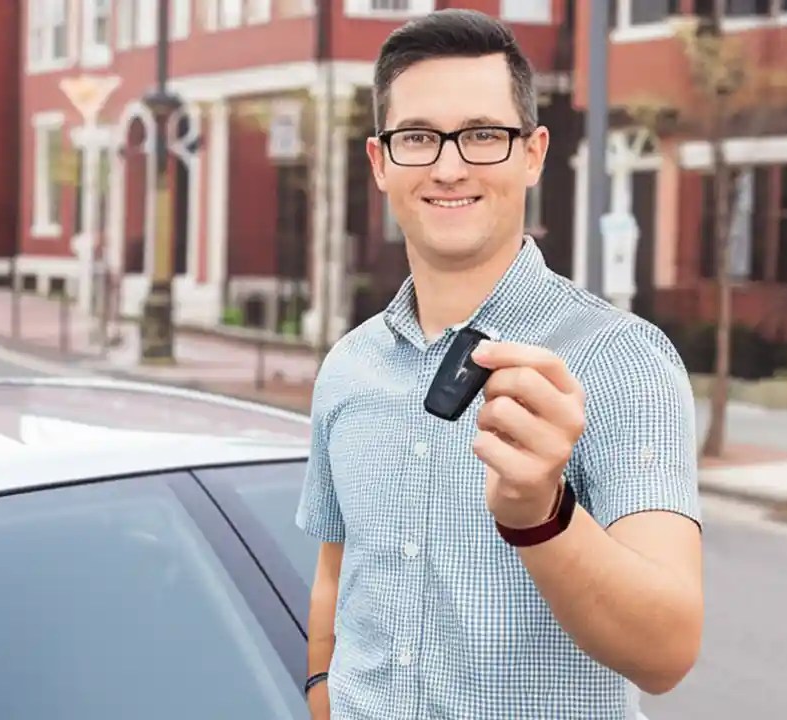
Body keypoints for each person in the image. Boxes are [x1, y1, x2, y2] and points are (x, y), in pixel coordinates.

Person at [295, 9, 704, 719]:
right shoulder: (348, 367)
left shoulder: (622, 360)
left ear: (533, 153)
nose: (449, 166)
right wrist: (321, 697)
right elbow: (336, 574)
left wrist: (541, 515)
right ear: (380, 161)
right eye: (418, 137)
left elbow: (667, 650)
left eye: (483, 135)